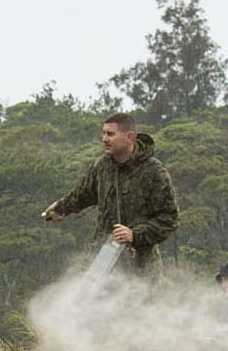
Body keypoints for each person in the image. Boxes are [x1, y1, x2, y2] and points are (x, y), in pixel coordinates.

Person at [41, 112, 179, 275]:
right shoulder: (103, 166)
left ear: (129, 137)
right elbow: (82, 195)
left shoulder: (153, 171)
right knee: (88, 297)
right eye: (104, 133)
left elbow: (169, 219)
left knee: (139, 300)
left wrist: (134, 234)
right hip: (103, 260)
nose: (104, 139)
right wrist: (59, 208)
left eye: (110, 134)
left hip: (141, 268)